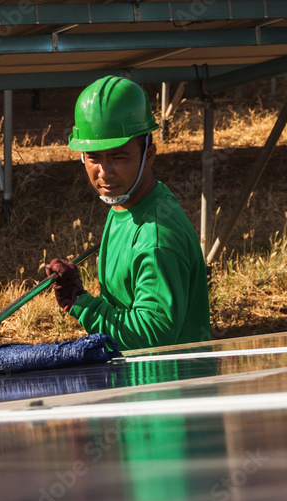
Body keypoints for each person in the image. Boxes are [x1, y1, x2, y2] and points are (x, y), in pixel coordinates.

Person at [45, 76, 211, 351]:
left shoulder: (157, 238)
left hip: (165, 387)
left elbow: (153, 337)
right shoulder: (131, 202)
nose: (105, 173)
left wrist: (81, 302)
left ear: (149, 154)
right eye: (94, 158)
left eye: (119, 157)